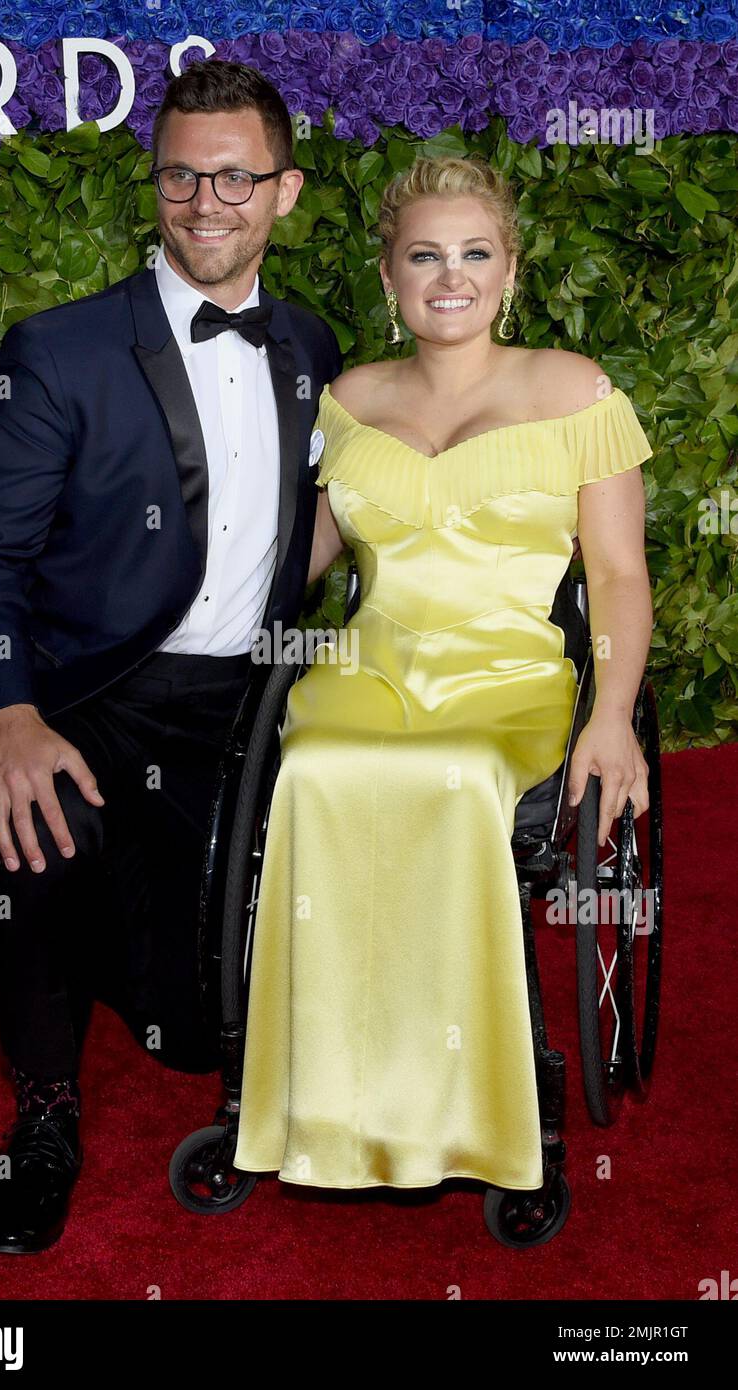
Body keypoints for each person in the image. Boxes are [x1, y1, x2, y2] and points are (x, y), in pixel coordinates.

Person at [0, 58, 341, 1253]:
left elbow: (299, 532)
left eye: (233, 176)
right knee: (36, 827)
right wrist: (8, 720)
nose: (204, 201)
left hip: (232, 706)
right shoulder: (56, 352)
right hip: (88, 693)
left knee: (188, 1029)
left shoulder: (310, 345)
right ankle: (45, 1113)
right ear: (153, 180)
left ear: (285, 191)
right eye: (179, 173)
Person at [233, 154, 654, 1192]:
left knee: (462, 773)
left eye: (473, 252)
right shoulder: (348, 399)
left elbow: (615, 576)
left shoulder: (574, 389)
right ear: (388, 276)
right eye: (424, 254)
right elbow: (301, 563)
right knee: (314, 765)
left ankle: (470, 1106)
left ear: (509, 269)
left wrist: (612, 721)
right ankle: (326, 1106)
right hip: (370, 662)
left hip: (508, 673)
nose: (449, 275)